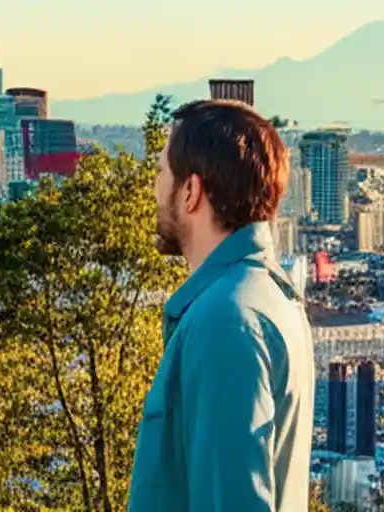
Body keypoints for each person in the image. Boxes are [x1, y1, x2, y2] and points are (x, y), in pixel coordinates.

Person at [127, 100, 313, 512]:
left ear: (191, 191)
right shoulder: (269, 297)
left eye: (161, 172)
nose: (155, 188)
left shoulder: (227, 318)